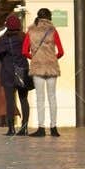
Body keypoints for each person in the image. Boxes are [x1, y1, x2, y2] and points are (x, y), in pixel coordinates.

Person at [23, 7, 64, 136]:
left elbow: (24, 51)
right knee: (52, 97)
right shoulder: (53, 30)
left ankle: (41, 128)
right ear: (49, 17)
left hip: (37, 67)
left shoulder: (30, 30)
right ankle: (54, 128)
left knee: (40, 98)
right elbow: (61, 51)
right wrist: (52, 58)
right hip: (52, 67)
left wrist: (34, 58)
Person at [0, 13, 31, 136]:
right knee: (23, 100)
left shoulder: (4, 40)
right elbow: (29, 49)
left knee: (10, 101)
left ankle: (11, 128)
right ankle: (24, 128)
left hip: (8, 73)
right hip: (22, 71)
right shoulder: (24, 37)